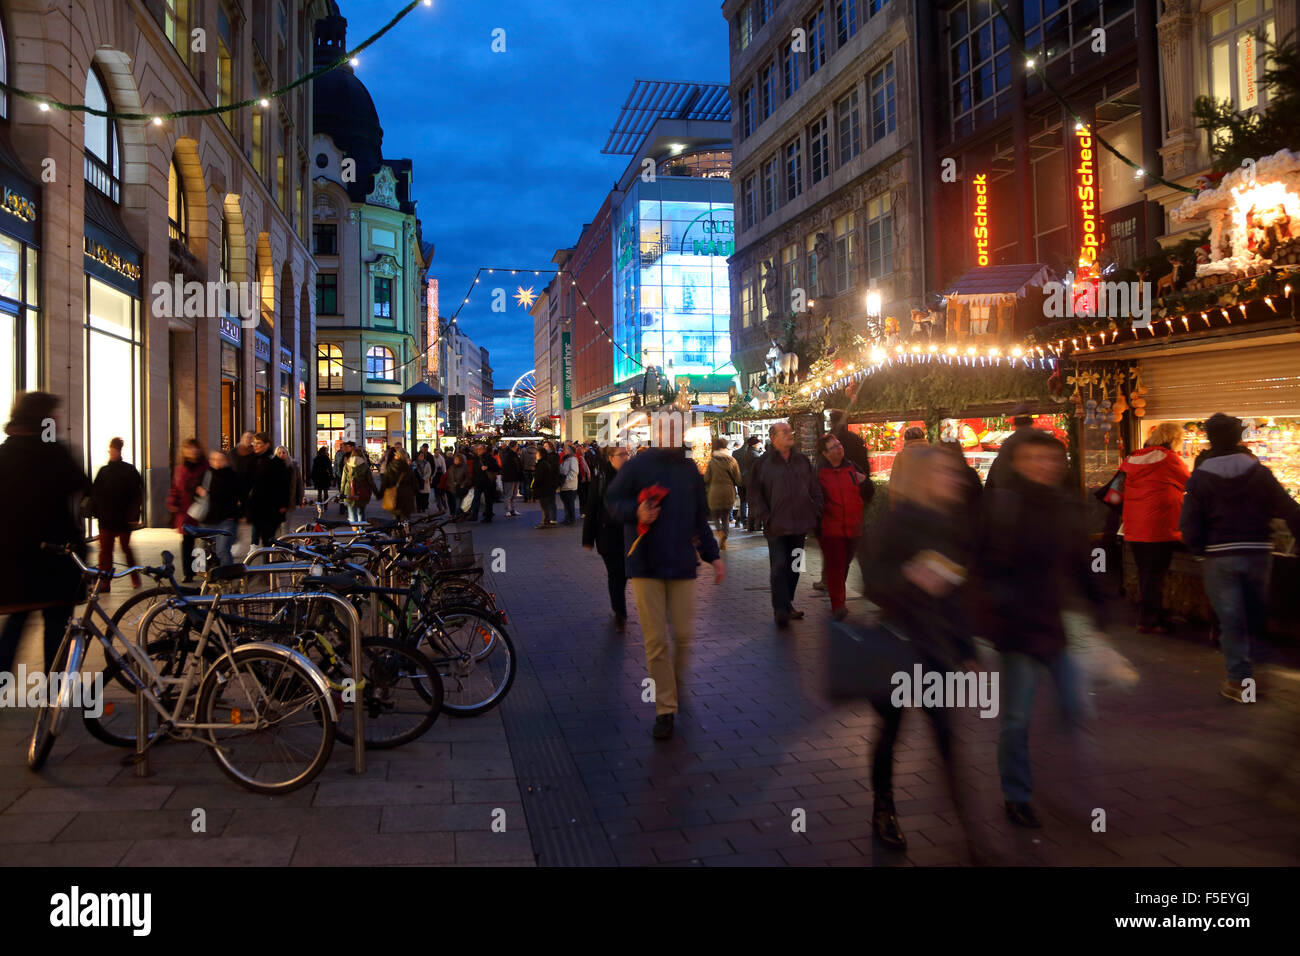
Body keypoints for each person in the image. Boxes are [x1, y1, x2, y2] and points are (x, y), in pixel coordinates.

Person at [978, 430, 1103, 828]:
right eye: (1035, 458)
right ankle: (1017, 795)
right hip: (1016, 630)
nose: (1045, 466)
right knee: (1016, 718)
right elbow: (980, 565)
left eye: (1051, 459)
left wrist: (1098, 602)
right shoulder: (1000, 507)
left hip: (1053, 625)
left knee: (1073, 705)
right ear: (1016, 462)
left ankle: (1060, 778)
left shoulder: (1065, 505)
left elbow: (1080, 560)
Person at [859, 447, 978, 851]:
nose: (956, 479)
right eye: (946, 472)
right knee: (890, 733)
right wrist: (912, 576)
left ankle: (968, 824)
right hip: (897, 646)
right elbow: (872, 582)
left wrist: (965, 646)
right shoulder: (895, 522)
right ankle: (883, 808)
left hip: (934, 649)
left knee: (946, 734)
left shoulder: (948, 523)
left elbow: (957, 591)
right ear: (924, 477)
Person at [605, 418, 725, 739]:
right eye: (667, 429)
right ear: (658, 433)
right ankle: (665, 708)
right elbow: (612, 501)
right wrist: (636, 512)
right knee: (656, 640)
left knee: (683, 636)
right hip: (646, 564)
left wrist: (713, 556)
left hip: (683, 564)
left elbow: (701, 518)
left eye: (678, 428)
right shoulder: (637, 465)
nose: (673, 434)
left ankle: (674, 679)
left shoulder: (689, 470)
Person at [1180, 413, 1300, 703]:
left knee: (1231, 620)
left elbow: (1189, 520)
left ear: (1210, 437)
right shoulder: (1259, 472)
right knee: (1255, 612)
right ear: (1239, 436)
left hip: (1220, 556)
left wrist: (1197, 549)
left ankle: (1241, 682)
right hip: (1257, 551)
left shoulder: (1202, 475)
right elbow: (1288, 508)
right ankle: (1260, 669)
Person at [0, 392, 91, 677]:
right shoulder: (52, 452)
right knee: (57, 625)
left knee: (16, 623)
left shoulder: (5, 453)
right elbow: (81, 482)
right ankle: (55, 688)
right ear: (44, 418)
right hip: (56, 556)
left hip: (17, 558)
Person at [1118, 421, 1190, 634]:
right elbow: (1190, 482)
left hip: (1134, 527)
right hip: (1159, 527)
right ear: (1174, 439)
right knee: (1155, 575)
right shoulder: (1170, 459)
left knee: (1145, 574)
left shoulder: (1132, 457)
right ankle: (1149, 620)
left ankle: (1150, 615)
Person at [749, 421, 823, 627]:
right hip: (777, 526)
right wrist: (765, 517)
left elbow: (814, 487)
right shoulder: (763, 464)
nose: (790, 433)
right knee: (779, 565)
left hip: (800, 525)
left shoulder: (801, 460)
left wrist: (815, 510)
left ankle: (787, 603)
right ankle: (780, 609)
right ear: (773, 438)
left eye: (790, 430)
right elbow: (755, 495)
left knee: (795, 566)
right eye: (785, 431)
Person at [816, 431, 873, 620]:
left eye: (839, 445)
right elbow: (814, 500)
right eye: (833, 447)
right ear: (825, 453)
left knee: (845, 563)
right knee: (836, 565)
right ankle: (838, 604)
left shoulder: (851, 467)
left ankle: (839, 598)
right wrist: (818, 526)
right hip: (831, 529)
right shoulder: (819, 473)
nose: (839, 449)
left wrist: (865, 482)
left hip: (853, 526)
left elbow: (868, 492)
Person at [583, 445, 632, 629]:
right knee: (616, 573)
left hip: (629, 533)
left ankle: (619, 608)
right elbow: (592, 507)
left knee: (624, 573)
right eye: (621, 455)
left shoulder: (631, 477)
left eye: (627, 454)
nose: (625, 457)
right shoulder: (602, 478)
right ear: (611, 458)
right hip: (607, 534)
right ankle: (620, 612)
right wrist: (588, 538)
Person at [91, 436, 144, 591]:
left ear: (118, 451)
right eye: (110, 450)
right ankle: (109, 582)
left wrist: (133, 515)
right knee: (111, 551)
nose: (111, 453)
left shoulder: (108, 471)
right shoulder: (123, 470)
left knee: (114, 550)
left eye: (113, 450)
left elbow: (136, 494)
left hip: (116, 517)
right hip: (113, 517)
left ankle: (125, 579)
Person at [165, 438, 209, 583]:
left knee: (202, 541)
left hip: (201, 509)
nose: (192, 451)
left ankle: (201, 569)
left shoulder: (205, 467)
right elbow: (174, 488)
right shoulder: (180, 469)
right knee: (187, 542)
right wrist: (172, 502)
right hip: (185, 511)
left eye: (194, 448)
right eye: (188, 448)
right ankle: (188, 572)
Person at [195, 449, 244, 566]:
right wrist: (199, 492)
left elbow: (234, 495)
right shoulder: (206, 474)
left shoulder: (233, 476)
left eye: (220, 459)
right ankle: (207, 577)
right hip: (207, 519)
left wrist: (208, 493)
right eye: (214, 459)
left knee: (222, 550)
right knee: (201, 551)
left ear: (227, 461)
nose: (217, 462)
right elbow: (196, 492)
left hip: (227, 519)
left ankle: (227, 576)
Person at [245, 432, 290, 546]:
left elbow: (284, 485)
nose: (255, 445)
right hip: (257, 507)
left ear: (266, 445)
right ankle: (258, 551)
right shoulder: (252, 461)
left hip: (272, 508)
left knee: (268, 538)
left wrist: (283, 505)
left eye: (258, 443)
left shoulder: (276, 463)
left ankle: (268, 560)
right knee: (259, 533)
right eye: (254, 443)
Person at [984, 405, 1036, 492]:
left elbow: (991, 482)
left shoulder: (1008, 444)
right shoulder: (1041, 441)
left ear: (1014, 423)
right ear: (1031, 422)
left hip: (1010, 497)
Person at [704, 436, 741, 550]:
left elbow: (706, 478)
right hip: (728, 492)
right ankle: (724, 536)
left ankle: (719, 531)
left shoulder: (712, 462)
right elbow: (738, 479)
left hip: (714, 493)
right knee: (725, 516)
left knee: (715, 516)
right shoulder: (732, 461)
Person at [888, 425, 929, 494]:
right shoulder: (931, 454)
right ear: (923, 437)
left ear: (906, 439)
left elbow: (894, 481)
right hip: (928, 497)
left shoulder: (901, 456)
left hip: (907, 496)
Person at [381, 445, 417, 520]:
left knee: (396, 517)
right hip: (406, 495)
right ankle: (405, 529)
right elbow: (413, 482)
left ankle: (396, 529)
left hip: (395, 495)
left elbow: (386, 481)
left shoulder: (392, 466)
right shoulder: (407, 467)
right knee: (405, 518)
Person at [340, 450, 374, 523]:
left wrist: (342, 492)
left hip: (349, 491)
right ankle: (361, 531)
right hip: (362, 490)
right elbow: (370, 480)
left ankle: (355, 531)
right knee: (361, 513)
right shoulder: (365, 466)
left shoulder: (347, 465)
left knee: (352, 514)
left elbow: (343, 481)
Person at [735, 435, 761, 530]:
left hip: (740, 479)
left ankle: (744, 521)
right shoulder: (754, 454)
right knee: (752, 503)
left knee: (743, 501)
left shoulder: (736, 453)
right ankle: (751, 524)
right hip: (750, 480)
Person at [533, 442, 559, 528]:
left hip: (545, 486)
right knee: (546, 505)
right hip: (547, 485)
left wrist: (535, 485)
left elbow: (540, 477)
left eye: (546, 446)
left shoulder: (544, 463)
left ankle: (548, 521)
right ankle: (548, 520)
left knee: (546, 505)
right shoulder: (544, 462)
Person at [474, 444, 500, 523]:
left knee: (488, 499)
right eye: (477, 449)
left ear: (484, 450)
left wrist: (487, 467)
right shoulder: (477, 458)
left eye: (480, 449)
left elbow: (497, 468)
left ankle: (488, 516)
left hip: (488, 482)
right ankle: (475, 514)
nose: (478, 451)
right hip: (479, 481)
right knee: (477, 499)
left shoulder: (488, 457)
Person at [276, 446, 304, 515]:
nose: (281, 455)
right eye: (279, 453)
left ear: (287, 454)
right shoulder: (271, 467)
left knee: (285, 524)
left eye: (283, 453)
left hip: (289, 501)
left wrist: (300, 500)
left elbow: (299, 484)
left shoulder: (293, 466)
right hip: (276, 502)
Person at [558, 442, 580, 525]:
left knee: (570, 504)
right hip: (564, 485)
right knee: (566, 503)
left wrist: (566, 480)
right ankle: (567, 518)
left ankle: (571, 519)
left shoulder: (573, 459)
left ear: (570, 450)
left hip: (570, 485)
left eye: (566, 449)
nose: (564, 451)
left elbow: (574, 472)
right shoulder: (565, 459)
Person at [500, 441, 522, 517]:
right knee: (509, 494)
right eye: (517, 446)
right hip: (509, 477)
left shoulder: (513, 454)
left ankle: (512, 509)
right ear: (515, 446)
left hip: (514, 477)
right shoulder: (508, 454)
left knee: (513, 494)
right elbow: (506, 466)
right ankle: (508, 510)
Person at [333, 440, 355, 514]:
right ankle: (343, 508)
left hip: (345, 477)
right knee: (342, 493)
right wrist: (336, 474)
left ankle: (345, 508)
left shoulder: (347, 455)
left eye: (344, 447)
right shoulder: (340, 454)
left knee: (345, 493)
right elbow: (336, 464)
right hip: (341, 476)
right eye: (342, 447)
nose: (343, 448)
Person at [448, 451, 471, 519]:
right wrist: (453, 483)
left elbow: (467, 477)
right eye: (455, 459)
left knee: (458, 501)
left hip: (460, 488)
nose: (455, 461)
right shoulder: (452, 467)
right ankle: (455, 513)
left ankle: (457, 514)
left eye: (457, 460)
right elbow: (450, 477)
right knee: (453, 501)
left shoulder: (464, 467)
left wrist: (463, 484)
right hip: (452, 487)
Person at [413, 449, 434, 513]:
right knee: (418, 495)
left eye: (422, 456)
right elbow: (413, 471)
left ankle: (423, 507)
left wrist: (425, 478)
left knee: (425, 495)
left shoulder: (427, 463)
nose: (421, 457)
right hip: (417, 481)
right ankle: (418, 507)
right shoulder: (414, 463)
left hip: (425, 481)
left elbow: (429, 471)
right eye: (420, 456)